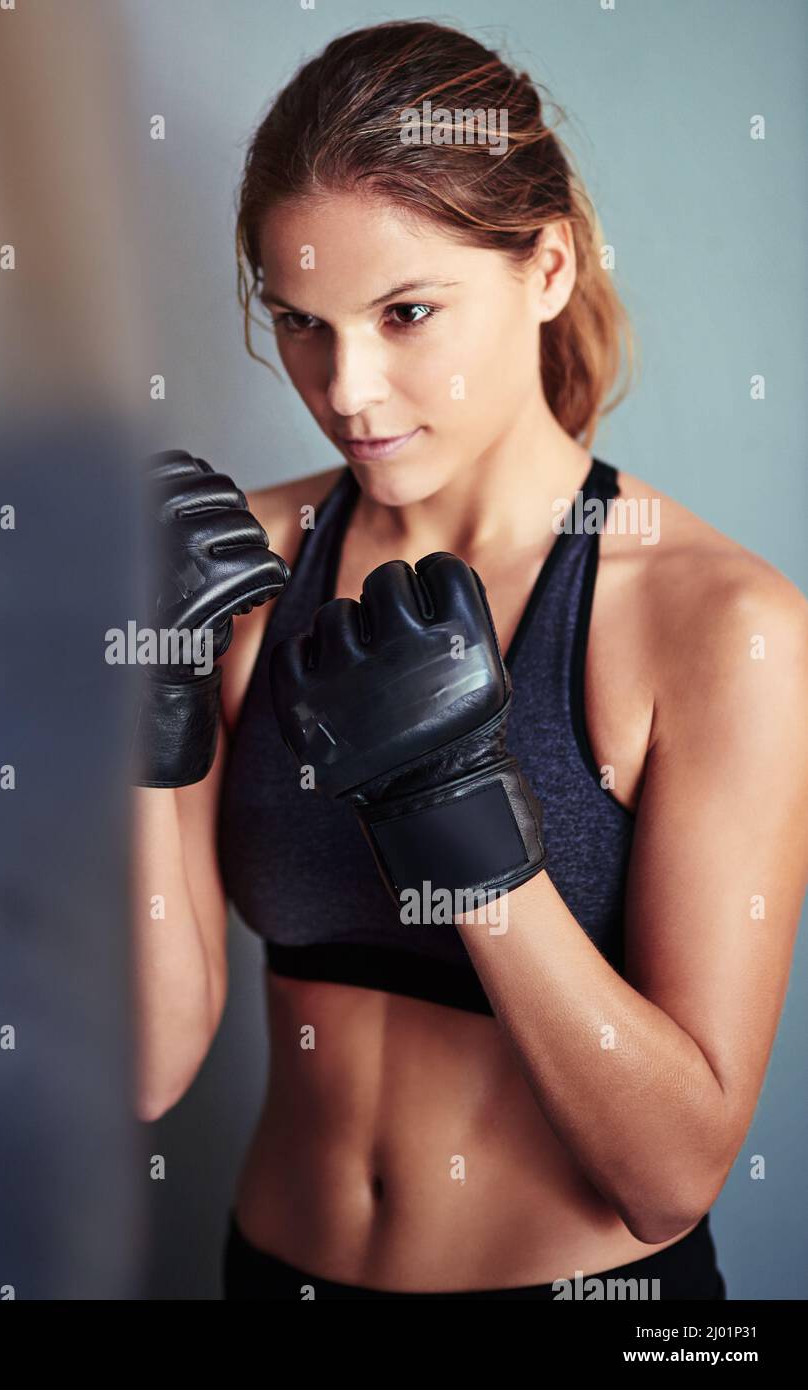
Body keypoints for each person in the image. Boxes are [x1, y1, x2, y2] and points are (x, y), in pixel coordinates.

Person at [129, 20, 808, 1299]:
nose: (351, 390)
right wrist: (139, 727)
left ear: (548, 266)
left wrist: (460, 826)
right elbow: (150, 1066)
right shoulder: (240, 571)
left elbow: (671, 1173)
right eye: (302, 323)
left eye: (406, 313)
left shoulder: (717, 625)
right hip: (275, 1273)